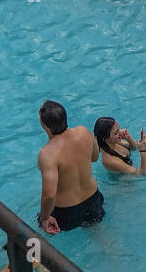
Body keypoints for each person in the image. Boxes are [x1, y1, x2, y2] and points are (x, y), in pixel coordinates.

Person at [35, 100, 102, 234]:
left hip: (67, 213)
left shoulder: (47, 154)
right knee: (98, 232)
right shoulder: (83, 132)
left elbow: (49, 195)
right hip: (94, 200)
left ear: (45, 126)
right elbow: (95, 157)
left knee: (42, 227)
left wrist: (45, 218)